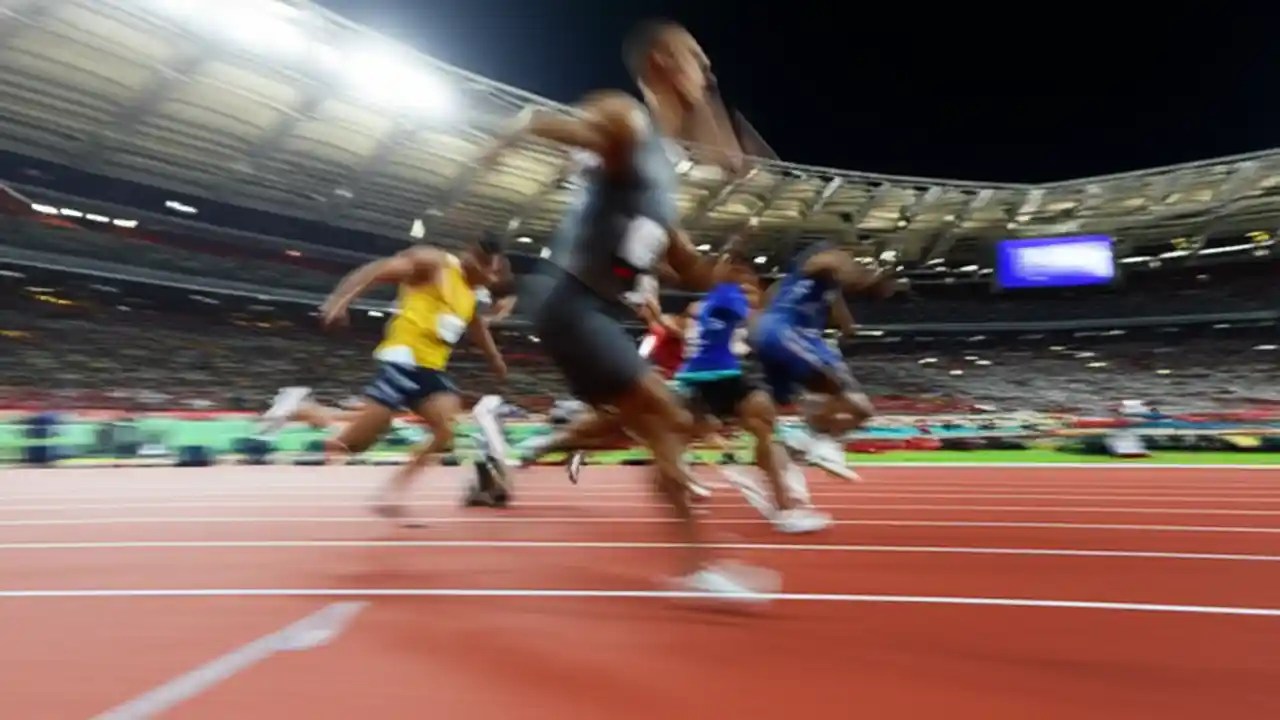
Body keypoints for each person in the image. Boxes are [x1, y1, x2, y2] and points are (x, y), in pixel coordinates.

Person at [464, 20, 772, 599]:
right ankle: (698, 571)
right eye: (694, 56)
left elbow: (688, 267)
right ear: (660, 62)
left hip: (596, 313)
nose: (707, 71)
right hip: (569, 302)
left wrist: (731, 265)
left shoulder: (662, 178)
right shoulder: (628, 119)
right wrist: (512, 133)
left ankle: (519, 449)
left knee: (668, 423)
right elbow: (568, 126)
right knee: (664, 416)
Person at [264, 234, 510, 518]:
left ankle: (394, 489)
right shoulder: (435, 264)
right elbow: (379, 270)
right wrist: (341, 300)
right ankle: (303, 409)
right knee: (350, 445)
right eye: (490, 272)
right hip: (401, 361)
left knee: (446, 431)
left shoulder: (468, 295)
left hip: (431, 371)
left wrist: (494, 357)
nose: (492, 281)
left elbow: (476, 325)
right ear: (473, 259)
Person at [675, 250, 830, 533]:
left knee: (762, 427)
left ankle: (782, 490)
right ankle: (784, 505)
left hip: (706, 376)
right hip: (715, 376)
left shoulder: (714, 304)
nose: (749, 291)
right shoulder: (727, 296)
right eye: (745, 285)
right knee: (761, 428)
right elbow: (754, 318)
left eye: (752, 287)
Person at [752, 242, 903, 479]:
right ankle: (816, 444)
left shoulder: (826, 289)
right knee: (836, 389)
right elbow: (838, 269)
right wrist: (872, 275)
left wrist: (849, 330)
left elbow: (847, 322)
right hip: (785, 332)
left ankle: (804, 443)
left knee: (862, 409)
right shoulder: (819, 263)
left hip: (794, 337)